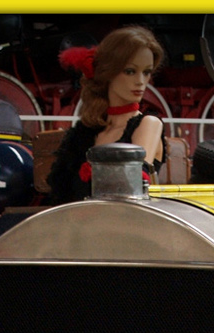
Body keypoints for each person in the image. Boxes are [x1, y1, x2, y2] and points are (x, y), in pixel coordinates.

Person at [46, 26, 167, 204]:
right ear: (108, 72)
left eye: (146, 72)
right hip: (80, 226)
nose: (141, 81)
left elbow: (131, 185)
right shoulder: (85, 132)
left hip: (123, 226)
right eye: (130, 71)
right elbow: (61, 190)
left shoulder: (149, 124)